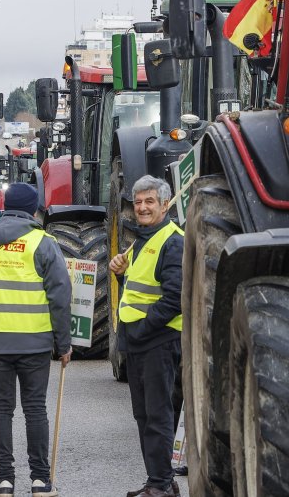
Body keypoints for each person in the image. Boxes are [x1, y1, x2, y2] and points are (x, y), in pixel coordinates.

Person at [0, 182, 71, 497]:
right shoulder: (43, 243)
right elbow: (60, 298)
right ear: (34, 208)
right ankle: (39, 480)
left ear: (4, 205)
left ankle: (4, 481)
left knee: (1, 410)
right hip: (35, 343)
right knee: (35, 409)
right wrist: (62, 344)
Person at [109, 176, 183, 497]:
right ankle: (159, 480)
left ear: (165, 205)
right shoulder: (140, 241)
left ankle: (160, 484)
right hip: (139, 342)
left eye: (149, 201)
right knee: (144, 416)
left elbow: (174, 297)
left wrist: (142, 327)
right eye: (138, 202)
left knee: (157, 416)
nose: (142, 207)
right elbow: (140, 290)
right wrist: (121, 273)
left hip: (158, 341)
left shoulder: (173, 240)